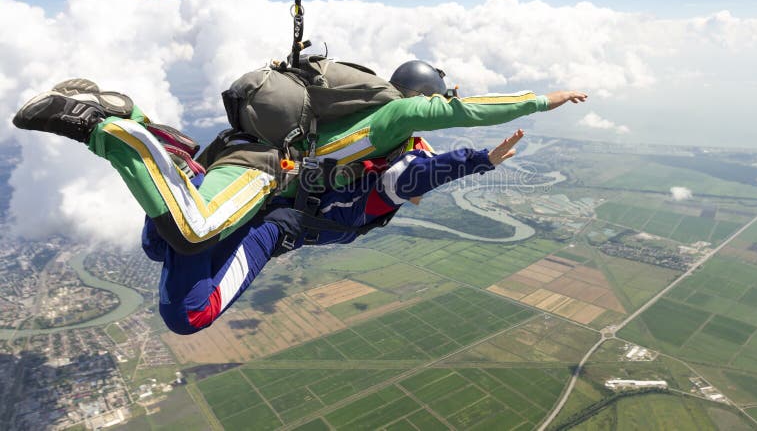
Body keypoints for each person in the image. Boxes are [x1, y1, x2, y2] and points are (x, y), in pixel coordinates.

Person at [13, 64, 587, 254]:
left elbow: (427, 161)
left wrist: (482, 161)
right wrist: (543, 100)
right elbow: (461, 112)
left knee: (157, 242)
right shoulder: (395, 119)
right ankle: (101, 126)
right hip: (260, 170)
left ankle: (131, 117)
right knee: (191, 229)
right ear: (419, 96)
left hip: (255, 161)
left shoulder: (374, 132)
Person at [150, 130, 525, 334]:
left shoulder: (363, 159)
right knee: (191, 313)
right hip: (272, 229)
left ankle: (183, 174)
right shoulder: (388, 181)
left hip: (261, 210)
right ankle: (177, 182)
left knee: (157, 245)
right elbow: (417, 174)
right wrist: (480, 161)